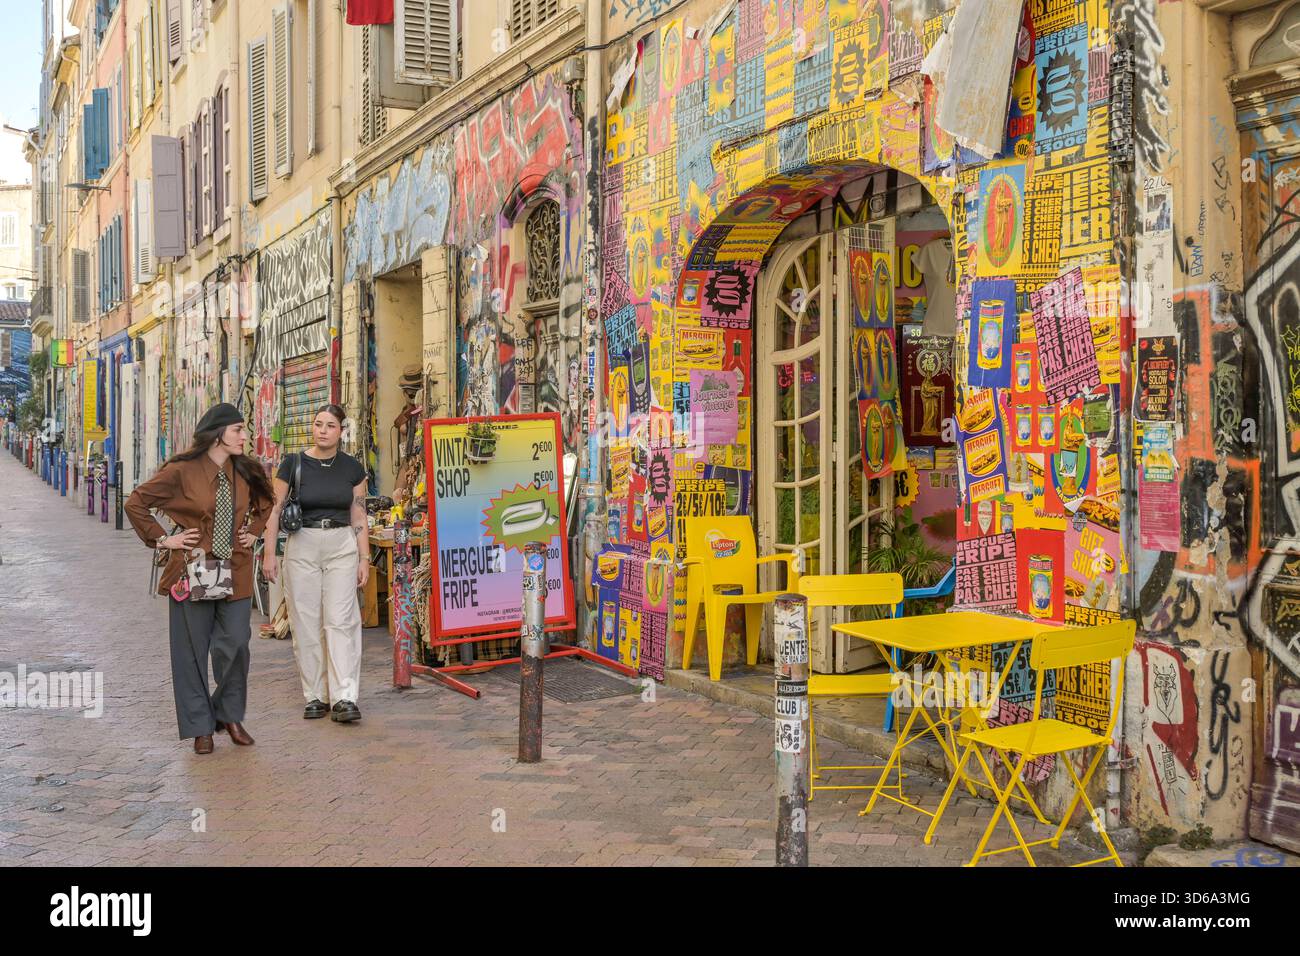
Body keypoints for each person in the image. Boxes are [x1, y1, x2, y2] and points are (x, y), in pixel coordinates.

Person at [124, 403, 273, 754]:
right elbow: (136, 502)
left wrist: (253, 531)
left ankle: (228, 714)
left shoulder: (246, 470)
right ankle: (200, 727)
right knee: (191, 651)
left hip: (234, 568)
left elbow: (267, 502)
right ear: (217, 432)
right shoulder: (181, 471)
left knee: (235, 644)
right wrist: (164, 539)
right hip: (193, 567)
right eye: (238, 430)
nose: (245, 436)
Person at [261, 404, 369, 723]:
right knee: (305, 620)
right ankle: (315, 695)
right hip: (303, 543)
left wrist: (364, 557)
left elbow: (359, 514)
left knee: (341, 619)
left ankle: (344, 696)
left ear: (341, 431)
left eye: (330, 425)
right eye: (318, 424)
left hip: (341, 544)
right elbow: (274, 510)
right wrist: (270, 553)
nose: (322, 430)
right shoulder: (292, 464)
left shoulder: (352, 468)